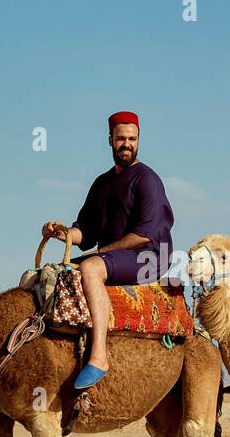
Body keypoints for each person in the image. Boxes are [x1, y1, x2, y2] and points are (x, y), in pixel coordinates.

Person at [40, 110, 175, 389]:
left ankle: (99, 357)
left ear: (138, 140)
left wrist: (100, 255)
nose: (127, 144)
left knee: (89, 268)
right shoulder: (101, 184)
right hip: (115, 255)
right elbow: (85, 231)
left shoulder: (147, 180)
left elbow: (141, 236)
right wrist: (62, 233)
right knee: (49, 272)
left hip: (148, 256)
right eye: (121, 139)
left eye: (132, 139)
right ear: (110, 140)